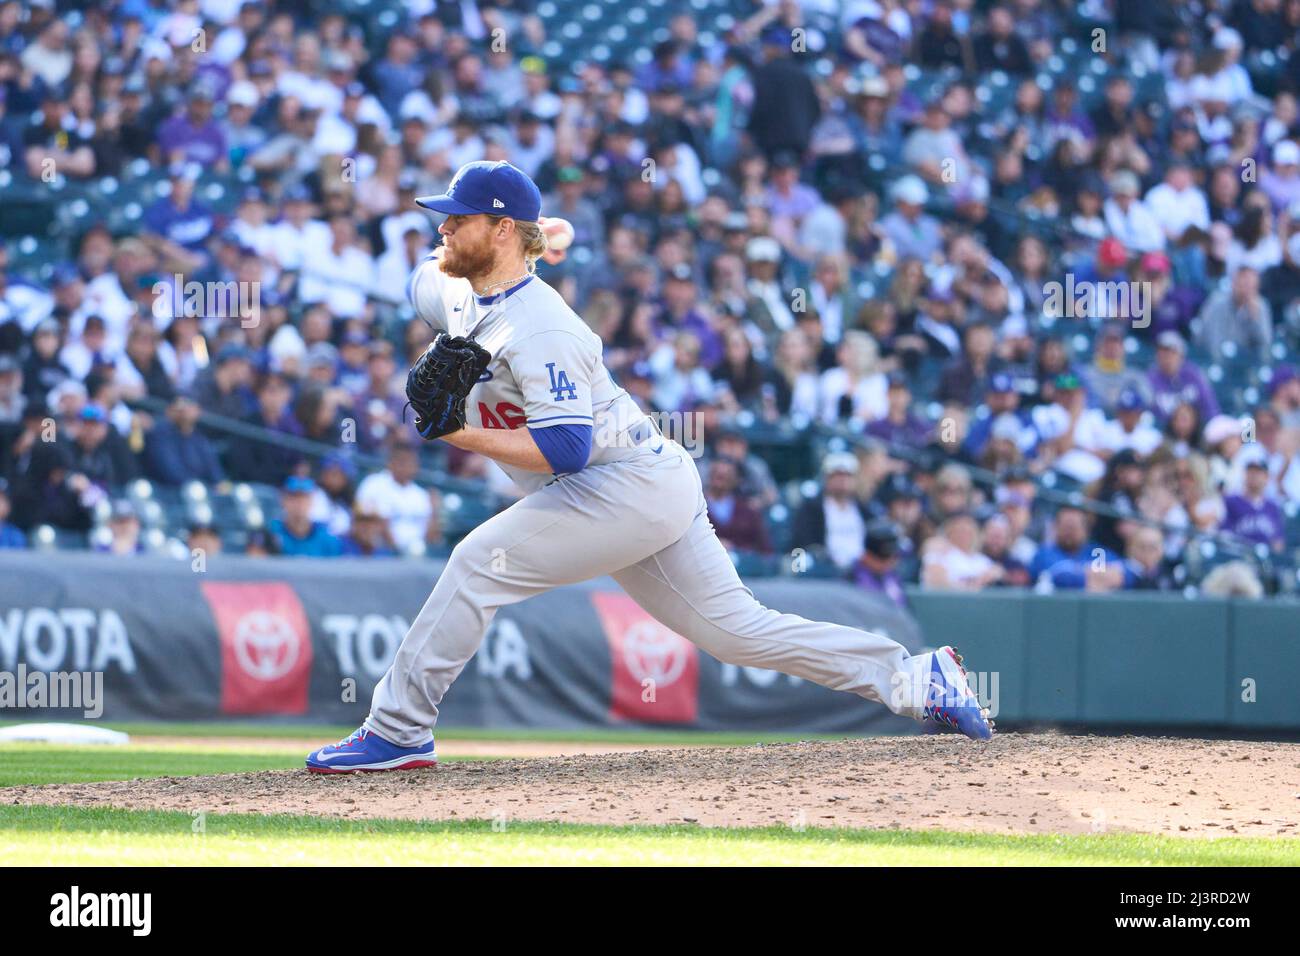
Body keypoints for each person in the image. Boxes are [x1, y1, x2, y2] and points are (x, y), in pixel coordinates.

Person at [306, 161, 992, 772]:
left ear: (502, 229)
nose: (445, 228)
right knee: (736, 631)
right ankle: (916, 678)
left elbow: (568, 449)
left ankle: (397, 729)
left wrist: (461, 432)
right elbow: (414, 280)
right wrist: (541, 239)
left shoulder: (545, 328)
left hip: (619, 482)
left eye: (458, 218)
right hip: (640, 482)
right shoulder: (460, 291)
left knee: (478, 561)